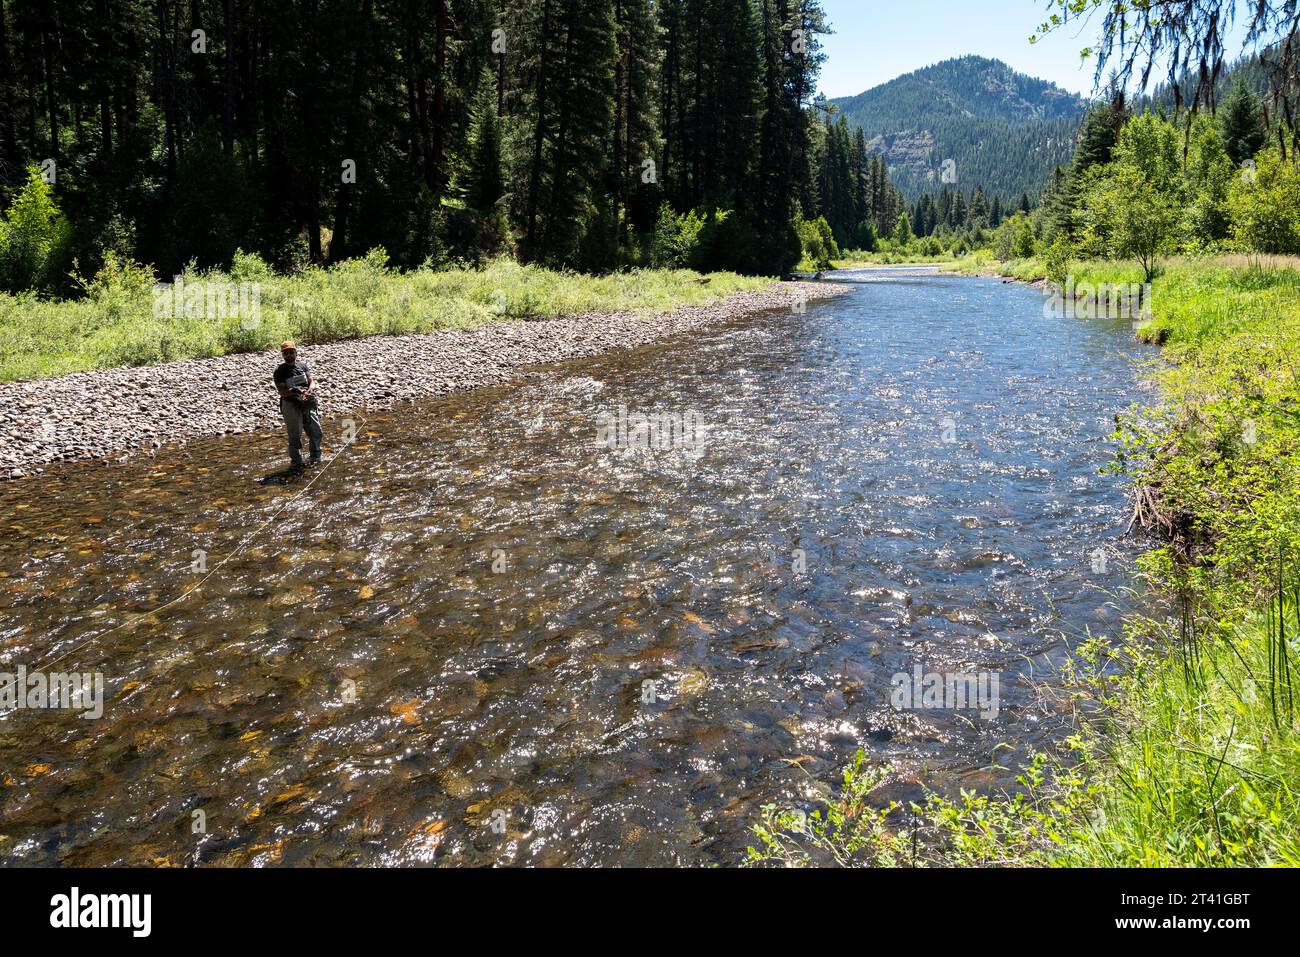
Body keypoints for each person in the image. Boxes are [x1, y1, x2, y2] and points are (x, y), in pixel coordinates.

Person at [273, 340, 322, 470]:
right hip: (291, 405)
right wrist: (293, 391)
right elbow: (281, 391)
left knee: (316, 432)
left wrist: (310, 390)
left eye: (291, 352)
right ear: (283, 355)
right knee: (295, 435)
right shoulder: (279, 371)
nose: (288, 355)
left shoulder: (303, 366)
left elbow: (311, 381)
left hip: (307, 402)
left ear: (296, 353)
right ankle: (297, 462)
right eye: (285, 353)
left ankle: (315, 458)